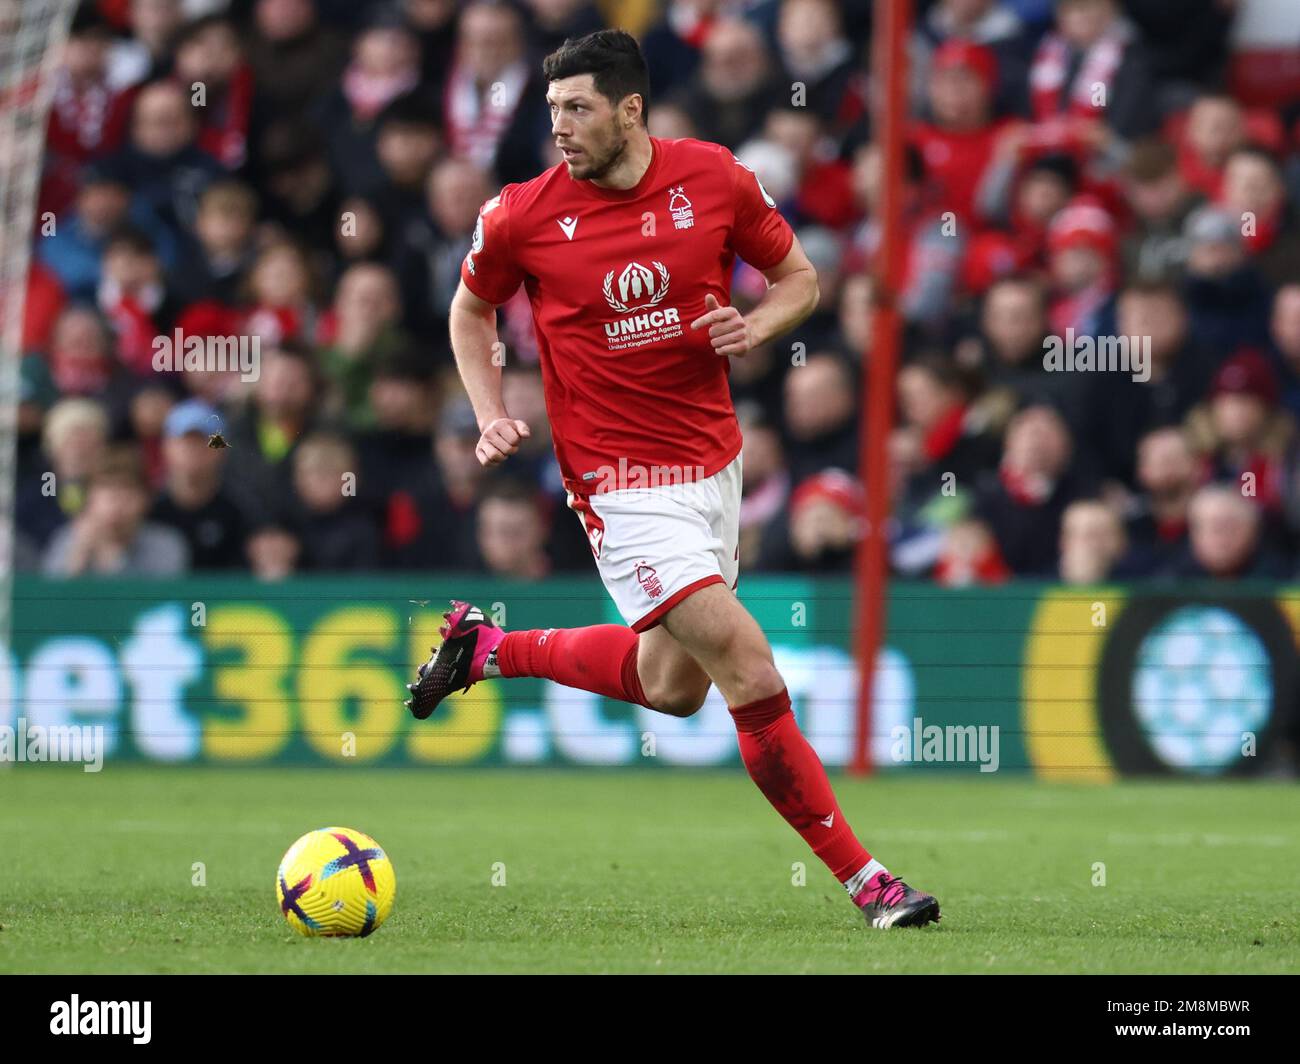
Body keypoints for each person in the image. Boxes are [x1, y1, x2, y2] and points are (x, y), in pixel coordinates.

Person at [404, 30, 939, 931]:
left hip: (713, 466)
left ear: (630, 109)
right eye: (551, 112)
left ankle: (485, 650)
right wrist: (489, 407)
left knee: (674, 687)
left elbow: (801, 279)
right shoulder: (523, 215)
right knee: (746, 664)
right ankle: (869, 881)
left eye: (577, 109)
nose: (560, 128)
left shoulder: (715, 178)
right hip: (617, 482)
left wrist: (757, 327)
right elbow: (471, 307)